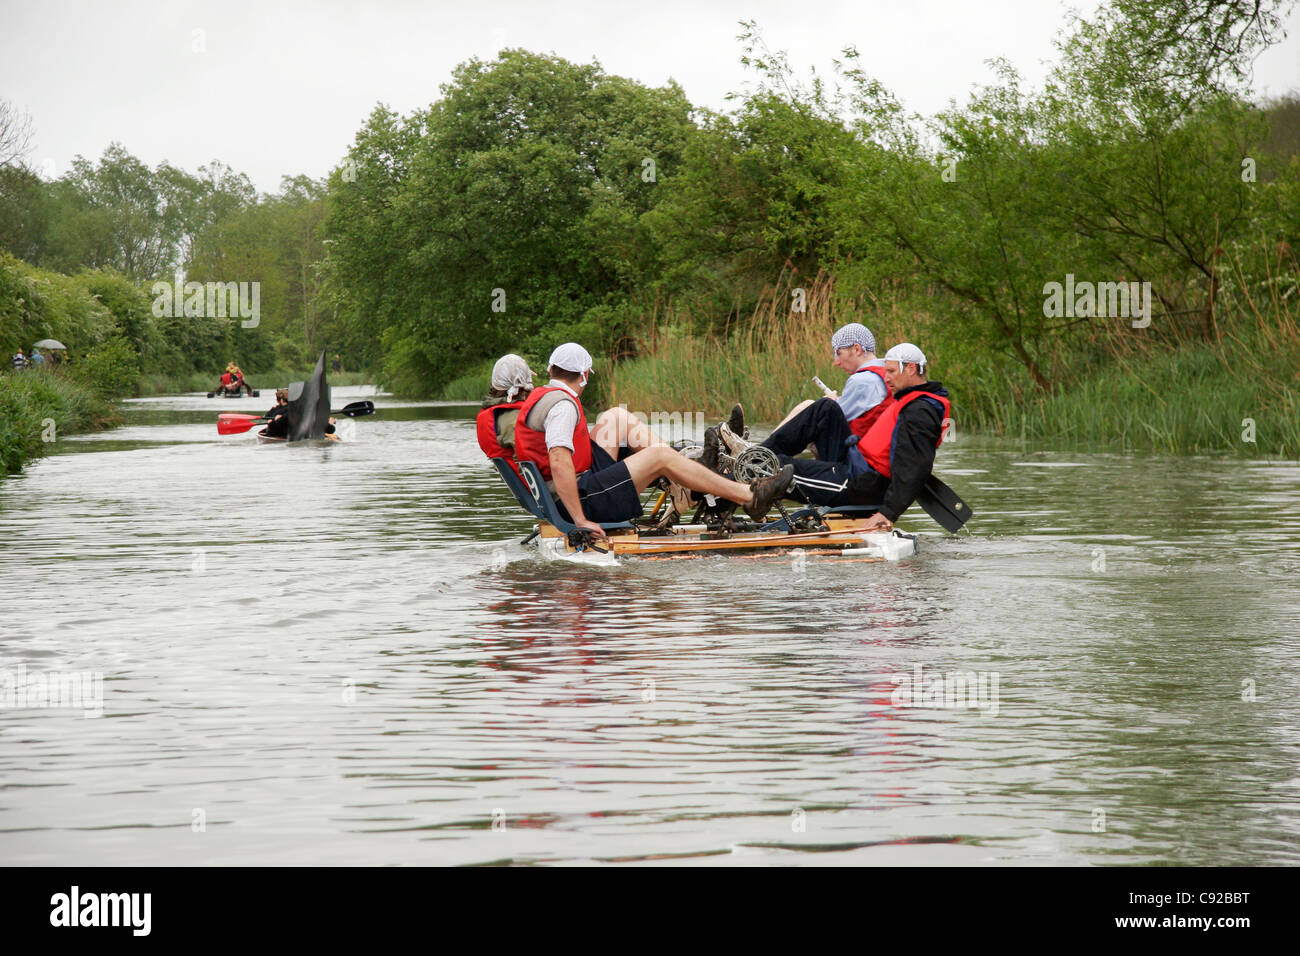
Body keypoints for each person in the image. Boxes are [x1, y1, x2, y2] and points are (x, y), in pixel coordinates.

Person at [512, 343, 794, 539]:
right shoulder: (563, 407)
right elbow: (560, 462)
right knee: (659, 455)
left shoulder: (545, 396)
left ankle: (687, 475)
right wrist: (580, 521)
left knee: (615, 417)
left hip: (572, 488)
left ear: (551, 370)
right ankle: (748, 496)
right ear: (584, 376)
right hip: (579, 502)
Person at [765, 343, 951, 528]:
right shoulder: (914, 400)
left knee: (776, 468)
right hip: (857, 465)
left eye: (892, 372)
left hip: (861, 485)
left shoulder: (920, 412)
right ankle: (756, 456)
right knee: (826, 408)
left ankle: (751, 468)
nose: (886, 378)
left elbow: (915, 467)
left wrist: (887, 513)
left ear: (911, 368)